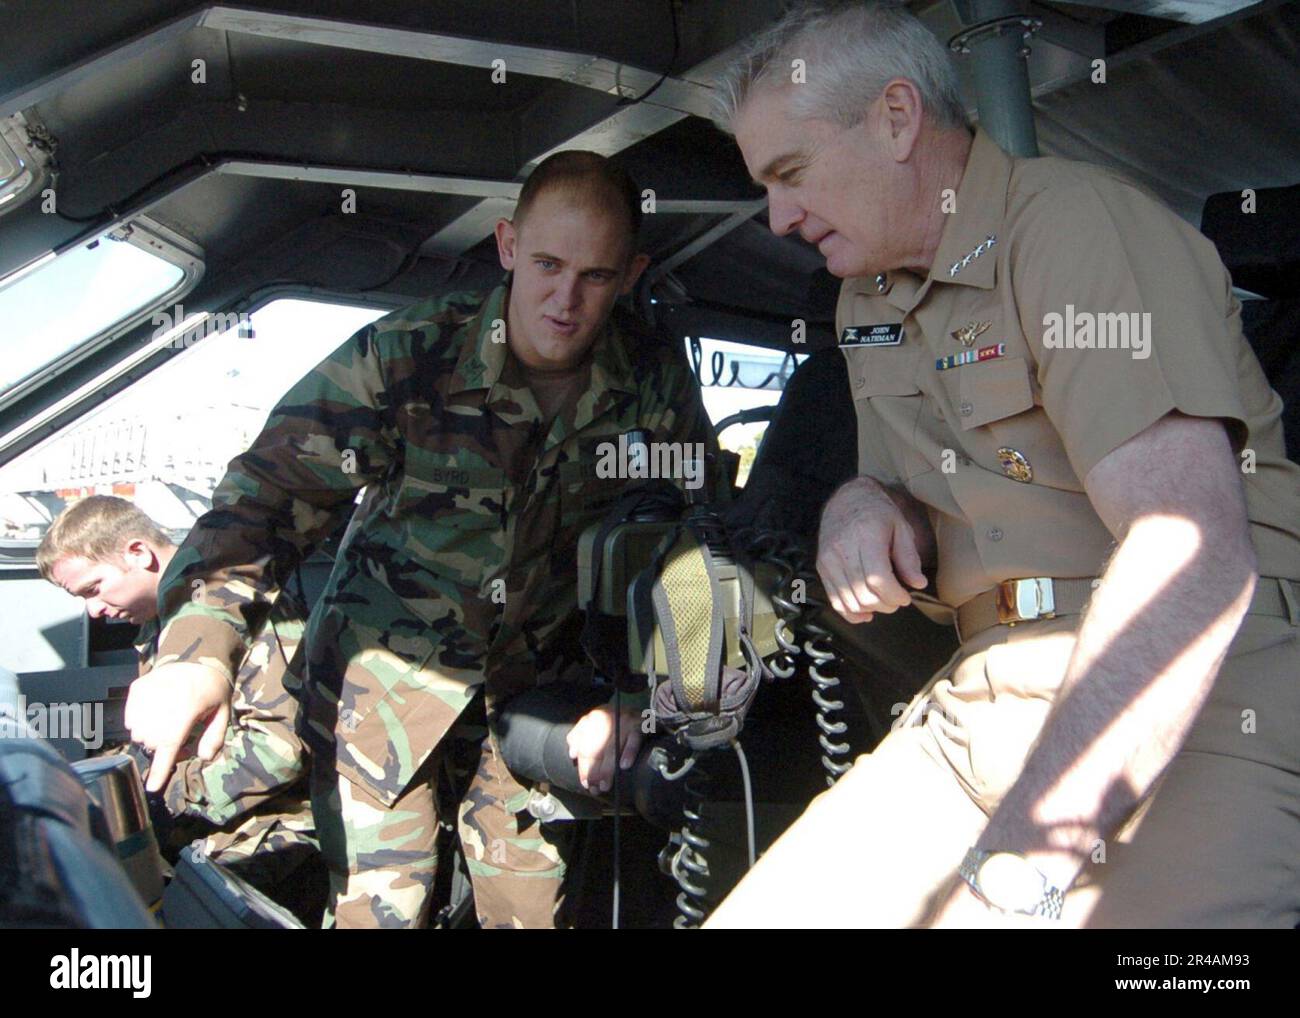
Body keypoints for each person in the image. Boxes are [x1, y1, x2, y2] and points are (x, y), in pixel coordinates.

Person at [705, 0, 1300, 928]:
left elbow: (1190, 559)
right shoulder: (864, 298)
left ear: (897, 119)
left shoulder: (1074, 229)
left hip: (1198, 709)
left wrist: (1026, 861)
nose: (777, 218)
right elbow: (909, 490)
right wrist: (860, 505)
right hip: (976, 710)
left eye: (790, 173)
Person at [123, 151, 719, 928]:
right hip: (383, 699)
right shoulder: (408, 357)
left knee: (533, 916)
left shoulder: (654, 382)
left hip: (536, 706)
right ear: (507, 244)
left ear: (632, 272)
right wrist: (195, 655)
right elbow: (260, 505)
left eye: (596, 276)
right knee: (383, 915)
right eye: (545, 263)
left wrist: (645, 697)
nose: (565, 300)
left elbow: (698, 543)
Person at [37, 495, 317, 892]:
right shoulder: (162, 628)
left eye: (93, 588)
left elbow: (280, 750)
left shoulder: (237, 615)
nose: (93, 610)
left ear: (137, 553)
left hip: (276, 828)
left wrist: (164, 797)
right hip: (219, 819)